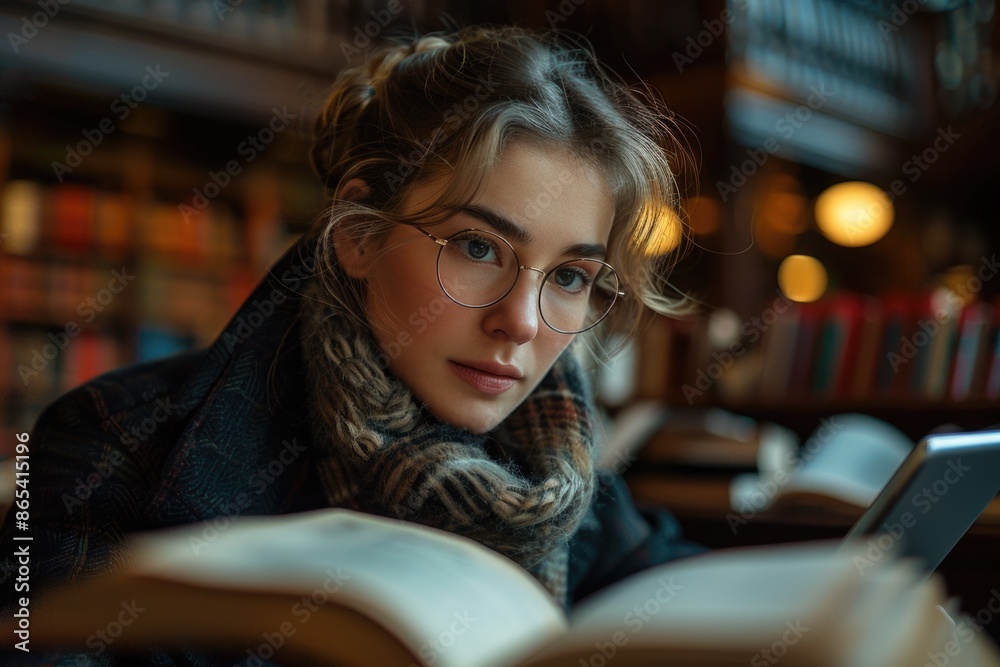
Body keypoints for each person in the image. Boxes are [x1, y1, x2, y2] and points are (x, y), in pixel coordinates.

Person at [0, 24, 702, 665]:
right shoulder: (109, 442)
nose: (521, 321)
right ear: (359, 237)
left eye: (571, 276)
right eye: (478, 246)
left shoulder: (558, 474)